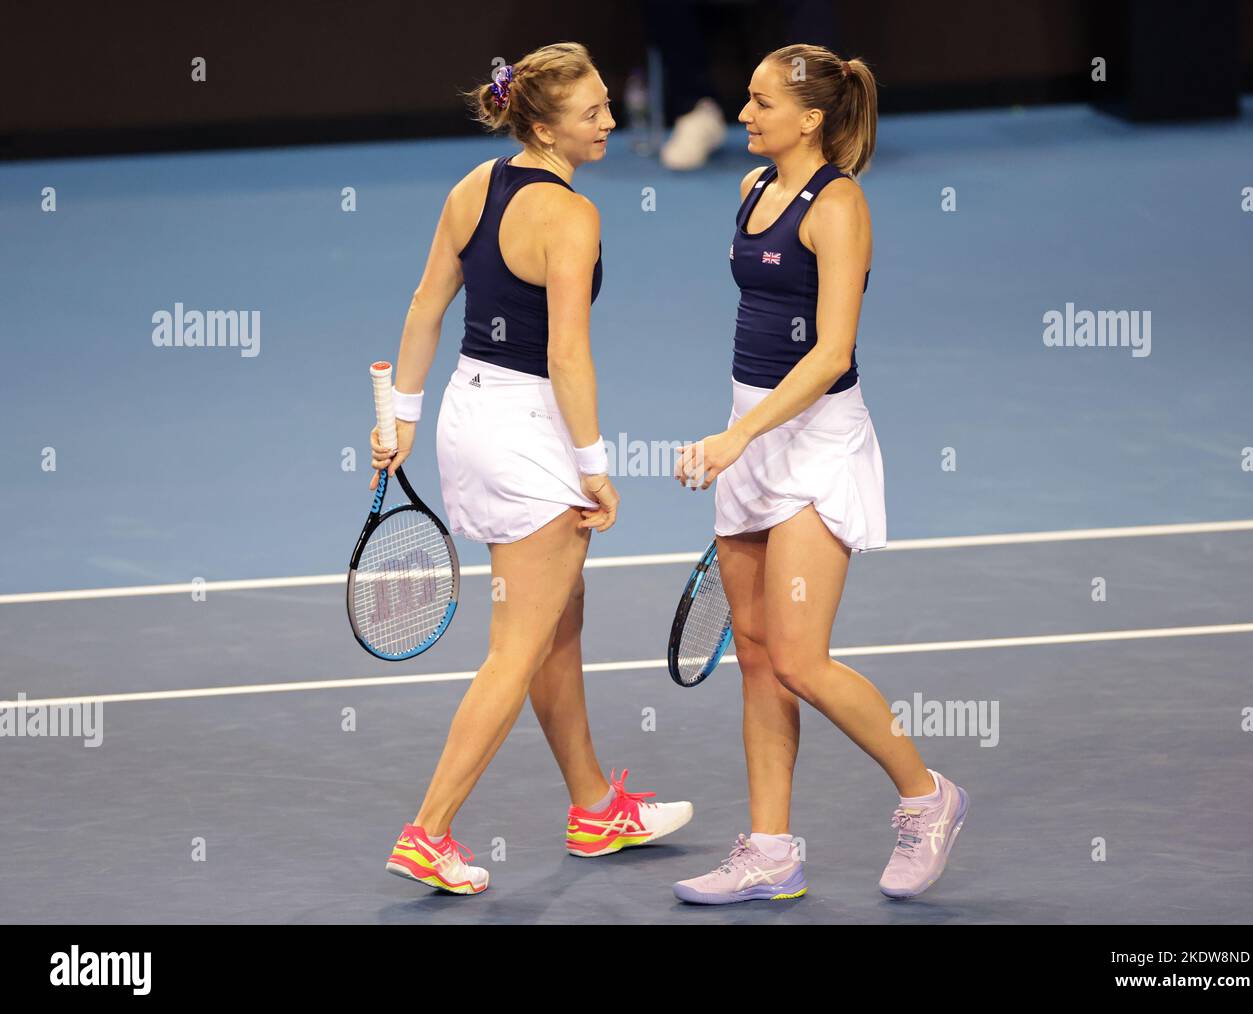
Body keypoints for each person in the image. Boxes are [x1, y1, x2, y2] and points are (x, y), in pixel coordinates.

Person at [372, 42, 692, 895]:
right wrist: (594, 466)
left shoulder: (471, 186)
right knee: (515, 648)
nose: (611, 123)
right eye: (594, 113)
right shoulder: (573, 218)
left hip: (464, 417)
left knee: (557, 622)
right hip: (527, 430)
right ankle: (428, 829)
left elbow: (423, 305)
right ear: (545, 124)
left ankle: (594, 806)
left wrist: (398, 418)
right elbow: (567, 354)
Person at [671, 44, 969, 903]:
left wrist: (738, 438)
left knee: (800, 657)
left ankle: (927, 795)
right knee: (758, 658)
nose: (744, 116)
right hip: (752, 429)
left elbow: (832, 350)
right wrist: (741, 433)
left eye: (760, 103)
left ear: (810, 119)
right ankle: (770, 849)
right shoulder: (751, 190)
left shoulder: (838, 207)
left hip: (816, 442)